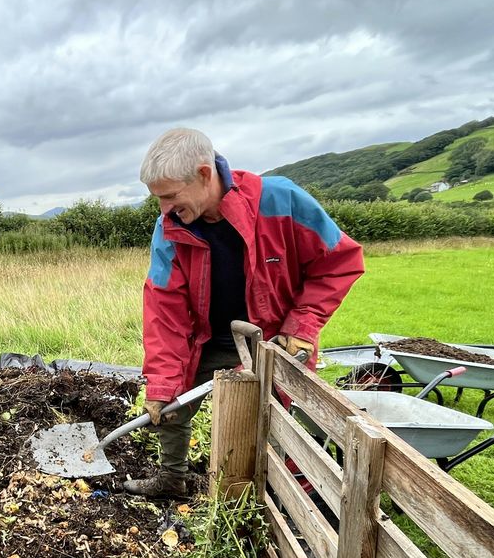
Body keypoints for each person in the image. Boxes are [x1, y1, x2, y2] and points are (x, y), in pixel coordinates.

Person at [126, 127, 365, 497]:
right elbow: (164, 309)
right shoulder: (169, 228)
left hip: (273, 338)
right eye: (158, 198)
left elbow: (338, 261)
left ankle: (273, 497)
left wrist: (302, 324)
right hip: (209, 337)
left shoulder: (280, 200)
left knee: (272, 419)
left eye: (170, 196)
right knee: (172, 405)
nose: (164, 209)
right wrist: (161, 381)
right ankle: (172, 478)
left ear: (204, 175)